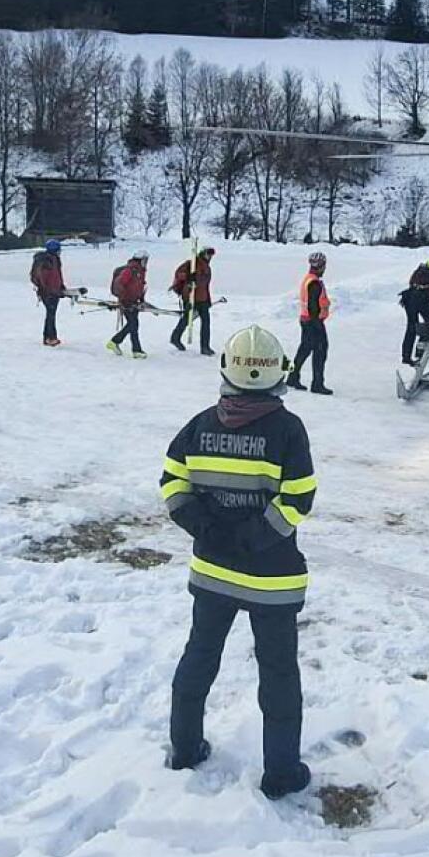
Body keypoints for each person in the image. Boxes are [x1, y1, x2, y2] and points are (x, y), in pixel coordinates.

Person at [162, 324, 316, 799]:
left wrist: (208, 530)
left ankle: (185, 748)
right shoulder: (288, 430)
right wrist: (254, 538)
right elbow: (298, 499)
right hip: (272, 580)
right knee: (278, 674)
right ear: (279, 373)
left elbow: (172, 484)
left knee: (199, 657)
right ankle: (282, 774)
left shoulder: (199, 425)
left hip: (212, 575)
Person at [287, 251, 332, 395]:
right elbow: (313, 305)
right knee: (320, 352)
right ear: (321, 266)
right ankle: (317, 384)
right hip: (313, 322)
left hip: (306, 320)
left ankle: (292, 377)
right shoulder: (314, 283)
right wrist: (317, 324)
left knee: (304, 350)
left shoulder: (309, 279)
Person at [28, 239, 86, 347]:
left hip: (55, 291)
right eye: (59, 249)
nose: (60, 251)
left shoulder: (54, 259)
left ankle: (49, 337)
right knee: (51, 314)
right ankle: (50, 338)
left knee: (51, 314)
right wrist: (49, 291)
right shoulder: (46, 261)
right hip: (48, 293)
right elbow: (43, 278)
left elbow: (57, 276)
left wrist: (61, 287)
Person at [169, 246, 217, 354]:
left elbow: (205, 285)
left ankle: (205, 347)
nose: (210, 257)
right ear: (203, 253)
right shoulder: (192, 263)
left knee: (206, 322)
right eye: (208, 254)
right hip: (190, 296)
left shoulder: (207, 267)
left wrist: (208, 299)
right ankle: (175, 337)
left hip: (203, 298)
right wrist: (189, 277)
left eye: (211, 255)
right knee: (187, 319)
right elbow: (179, 274)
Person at [401, 250, 429, 365]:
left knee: (412, 327)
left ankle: (407, 356)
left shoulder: (426, 264)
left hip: (409, 296)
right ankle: (420, 351)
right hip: (422, 298)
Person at [107, 250, 149, 359]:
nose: (146, 262)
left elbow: (139, 287)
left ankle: (115, 342)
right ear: (140, 260)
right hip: (127, 302)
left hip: (134, 302)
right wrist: (125, 300)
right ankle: (136, 350)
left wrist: (141, 300)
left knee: (132, 324)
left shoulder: (140, 271)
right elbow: (120, 284)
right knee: (133, 325)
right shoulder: (130, 270)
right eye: (145, 260)